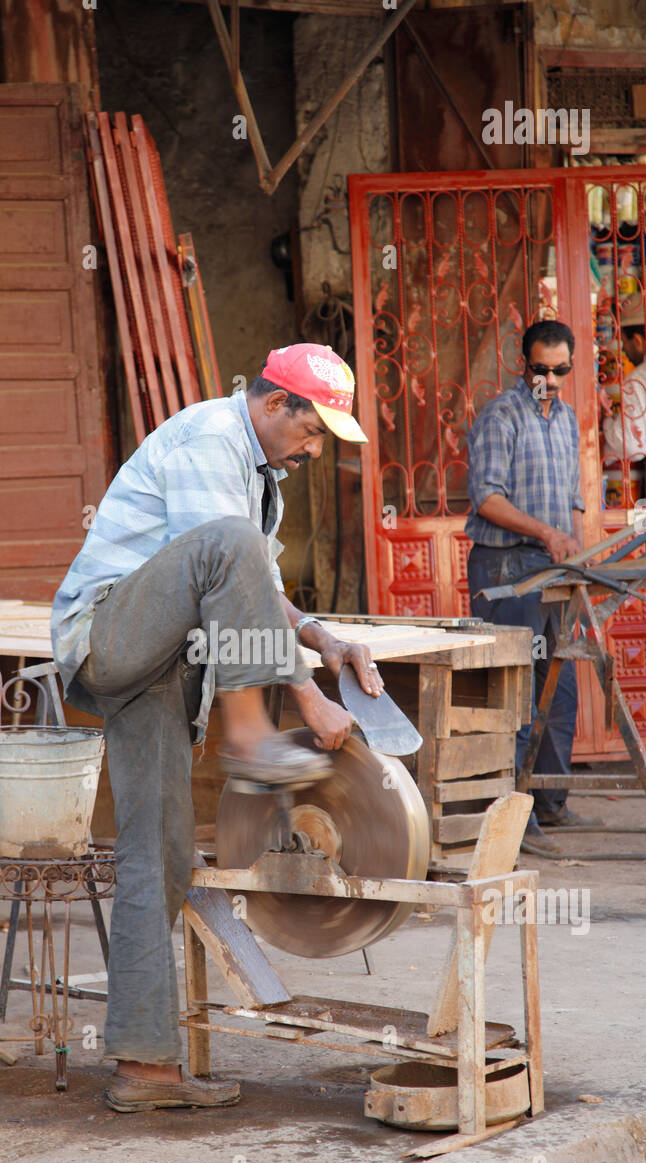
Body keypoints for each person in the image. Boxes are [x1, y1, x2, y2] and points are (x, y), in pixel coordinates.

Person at [52, 344, 382, 1110]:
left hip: (162, 668)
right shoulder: (210, 440)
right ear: (274, 405)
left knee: (158, 850)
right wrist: (305, 700)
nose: (314, 448)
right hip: (110, 635)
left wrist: (325, 640)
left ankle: (145, 1067)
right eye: (311, 431)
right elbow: (227, 561)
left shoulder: (260, 475)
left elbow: (256, 594)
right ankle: (244, 733)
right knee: (233, 545)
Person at [465, 320, 594, 850]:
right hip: (506, 568)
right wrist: (546, 532)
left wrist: (576, 554)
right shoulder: (502, 415)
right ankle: (511, 820)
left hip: (553, 570)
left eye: (560, 370)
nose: (550, 379)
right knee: (513, 693)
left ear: (569, 367)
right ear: (525, 364)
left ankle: (550, 802)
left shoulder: (566, 419)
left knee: (558, 690)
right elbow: (486, 498)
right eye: (541, 369)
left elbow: (573, 499)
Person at [601, 302, 646, 500]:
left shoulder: (640, 379)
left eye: (624, 342)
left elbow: (631, 446)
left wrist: (607, 421)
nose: (623, 350)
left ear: (638, 340)